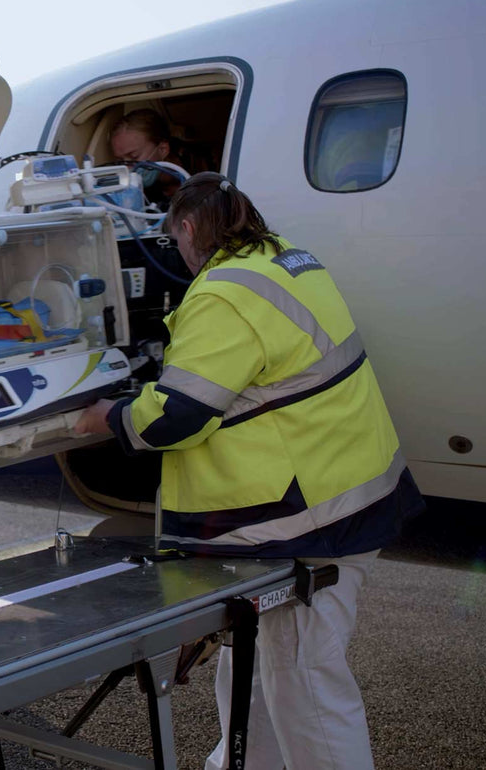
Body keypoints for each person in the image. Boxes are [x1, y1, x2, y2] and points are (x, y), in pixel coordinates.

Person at [75, 172, 424, 770]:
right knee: (256, 670)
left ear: (187, 229)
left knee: (305, 685)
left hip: (305, 520)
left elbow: (176, 417)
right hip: (346, 491)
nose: (179, 257)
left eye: (175, 242)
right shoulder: (286, 261)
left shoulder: (222, 294)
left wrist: (108, 416)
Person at [109, 109, 197, 209]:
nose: (127, 169)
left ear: (163, 149)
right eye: (120, 161)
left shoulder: (199, 177)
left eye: (134, 157)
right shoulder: (137, 194)